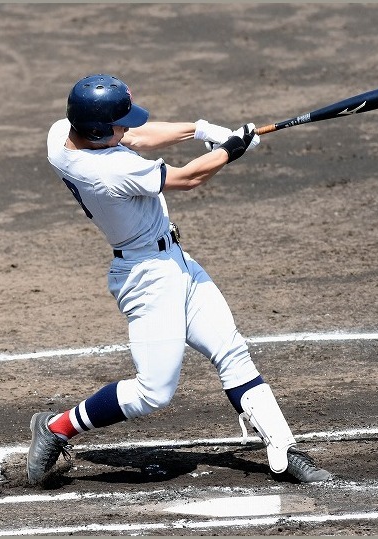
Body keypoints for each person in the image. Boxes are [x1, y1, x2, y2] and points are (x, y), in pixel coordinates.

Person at [28, 73, 332, 486]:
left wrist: (202, 130)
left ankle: (284, 449)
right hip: (146, 278)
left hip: (175, 261)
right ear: (99, 131)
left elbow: (136, 135)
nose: (128, 127)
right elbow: (189, 178)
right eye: (120, 122)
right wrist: (231, 150)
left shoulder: (65, 133)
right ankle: (57, 427)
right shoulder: (110, 171)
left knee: (232, 350)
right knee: (154, 391)